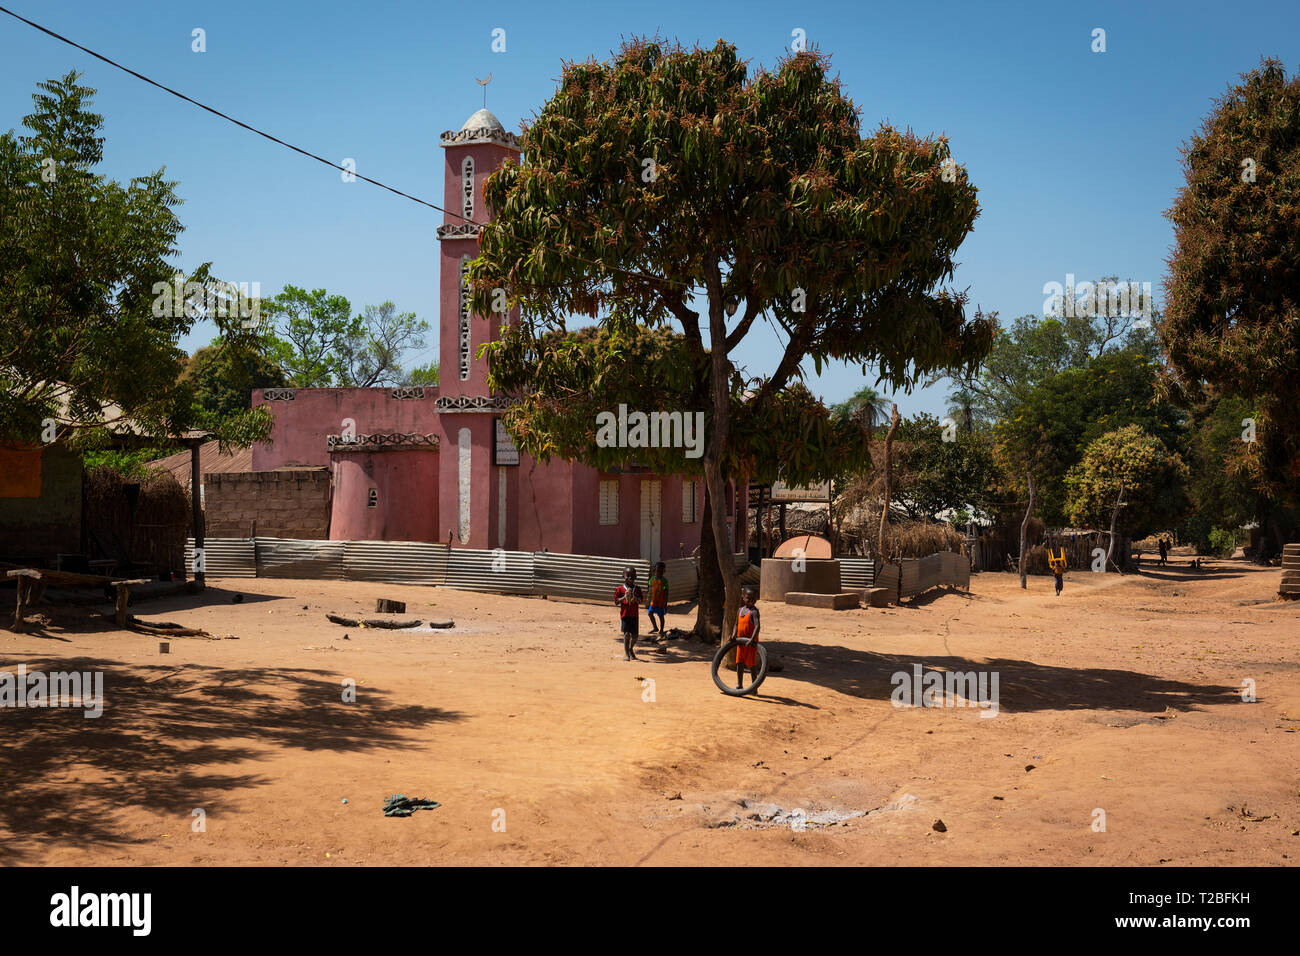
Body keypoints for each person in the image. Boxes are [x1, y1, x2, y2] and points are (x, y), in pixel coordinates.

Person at [614, 567, 645, 662]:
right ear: (623, 576)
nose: (630, 578)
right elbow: (616, 602)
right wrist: (624, 597)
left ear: (635, 577)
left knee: (635, 636)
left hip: (634, 615)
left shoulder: (637, 589)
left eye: (632, 576)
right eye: (628, 575)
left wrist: (634, 597)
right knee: (626, 634)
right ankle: (627, 653)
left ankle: (631, 648)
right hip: (625, 615)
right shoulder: (619, 589)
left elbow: (640, 601)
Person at [735, 585, 762, 689]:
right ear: (743, 597)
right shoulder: (740, 610)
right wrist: (733, 635)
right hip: (740, 643)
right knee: (739, 663)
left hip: (751, 643)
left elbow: (757, 626)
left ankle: (754, 688)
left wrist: (752, 639)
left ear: (756, 599)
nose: (751, 601)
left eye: (753, 599)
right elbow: (736, 625)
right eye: (748, 598)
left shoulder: (754, 612)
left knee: (751, 665)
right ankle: (739, 684)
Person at [646, 562, 668, 636]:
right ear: (655, 570)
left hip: (660, 602)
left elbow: (666, 592)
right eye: (658, 570)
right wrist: (648, 600)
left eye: (661, 571)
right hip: (653, 601)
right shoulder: (652, 579)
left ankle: (661, 629)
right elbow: (650, 590)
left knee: (661, 616)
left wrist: (665, 603)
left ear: (664, 571)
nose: (659, 572)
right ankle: (655, 627)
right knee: (650, 613)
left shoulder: (664, 581)